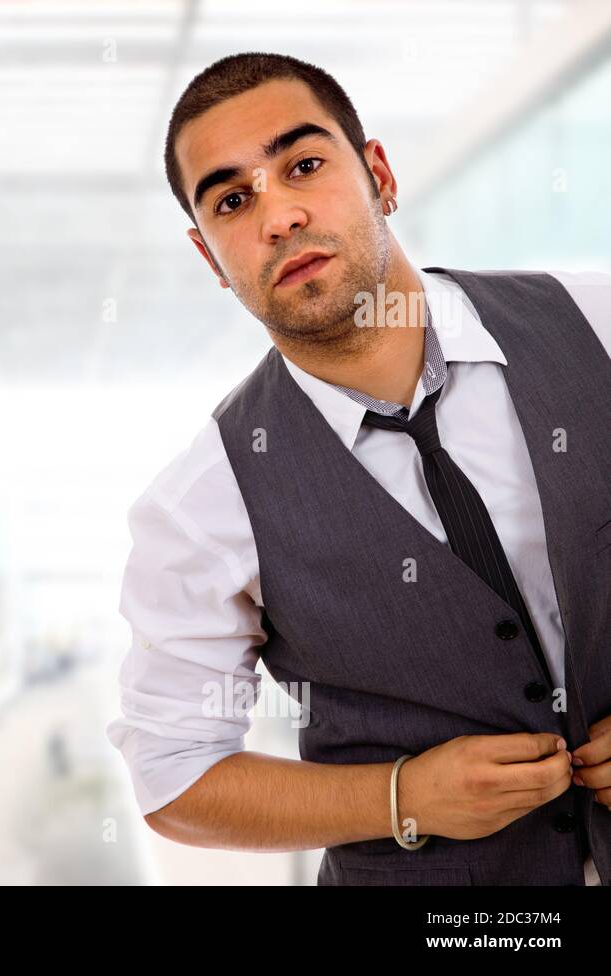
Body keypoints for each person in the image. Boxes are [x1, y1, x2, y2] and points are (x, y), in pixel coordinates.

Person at [104, 51, 611, 886]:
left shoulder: (592, 326)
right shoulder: (202, 504)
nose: (278, 216)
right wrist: (399, 798)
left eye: (303, 164)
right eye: (234, 200)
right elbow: (175, 775)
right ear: (210, 257)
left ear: (379, 173)